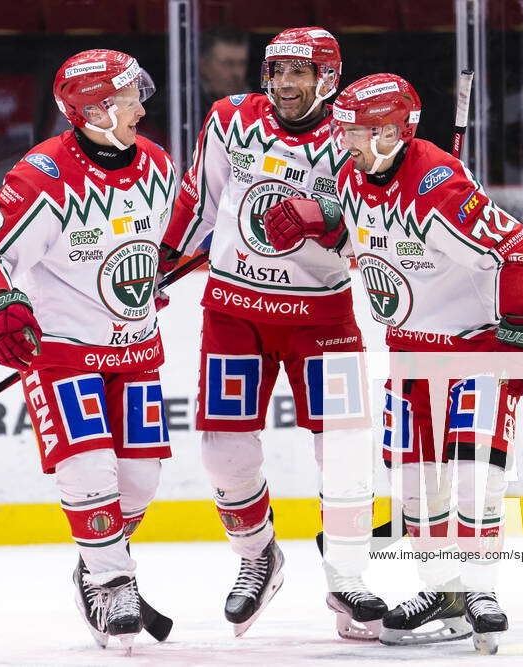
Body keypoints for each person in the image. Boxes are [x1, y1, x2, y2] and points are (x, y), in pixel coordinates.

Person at [264, 73, 523, 655]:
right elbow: (360, 232)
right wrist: (317, 218)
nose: (344, 141)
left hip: (473, 351)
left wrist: (520, 330)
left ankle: (480, 590)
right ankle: (443, 590)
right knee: (415, 485)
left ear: (394, 132)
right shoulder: (351, 175)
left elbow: (519, 251)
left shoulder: (439, 183)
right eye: (344, 130)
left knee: (474, 475)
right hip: (409, 355)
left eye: (356, 131)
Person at [160, 27, 387, 640]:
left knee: (344, 451)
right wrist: (158, 265)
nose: (284, 83)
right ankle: (258, 555)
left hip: (324, 318)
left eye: (299, 72)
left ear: (327, 78)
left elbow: (378, 225)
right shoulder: (230, 119)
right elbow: (198, 203)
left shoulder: (354, 133)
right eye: (276, 70)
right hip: (235, 312)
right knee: (223, 452)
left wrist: (329, 220)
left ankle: (347, 577)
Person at [0, 49, 176, 654]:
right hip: (62, 353)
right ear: (96, 111)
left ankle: (95, 559)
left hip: (136, 351)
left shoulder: (158, 164)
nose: (141, 108)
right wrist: (0, 303)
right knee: (89, 467)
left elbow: (154, 244)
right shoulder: (44, 176)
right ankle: (111, 581)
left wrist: (150, 280)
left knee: (139, 480)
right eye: (128, 98)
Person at [199, 26, 250, 121]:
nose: (237, 72)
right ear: (204, 65)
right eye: (228, 63)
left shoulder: (260, 103)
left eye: (242, 63)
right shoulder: (190, 107)